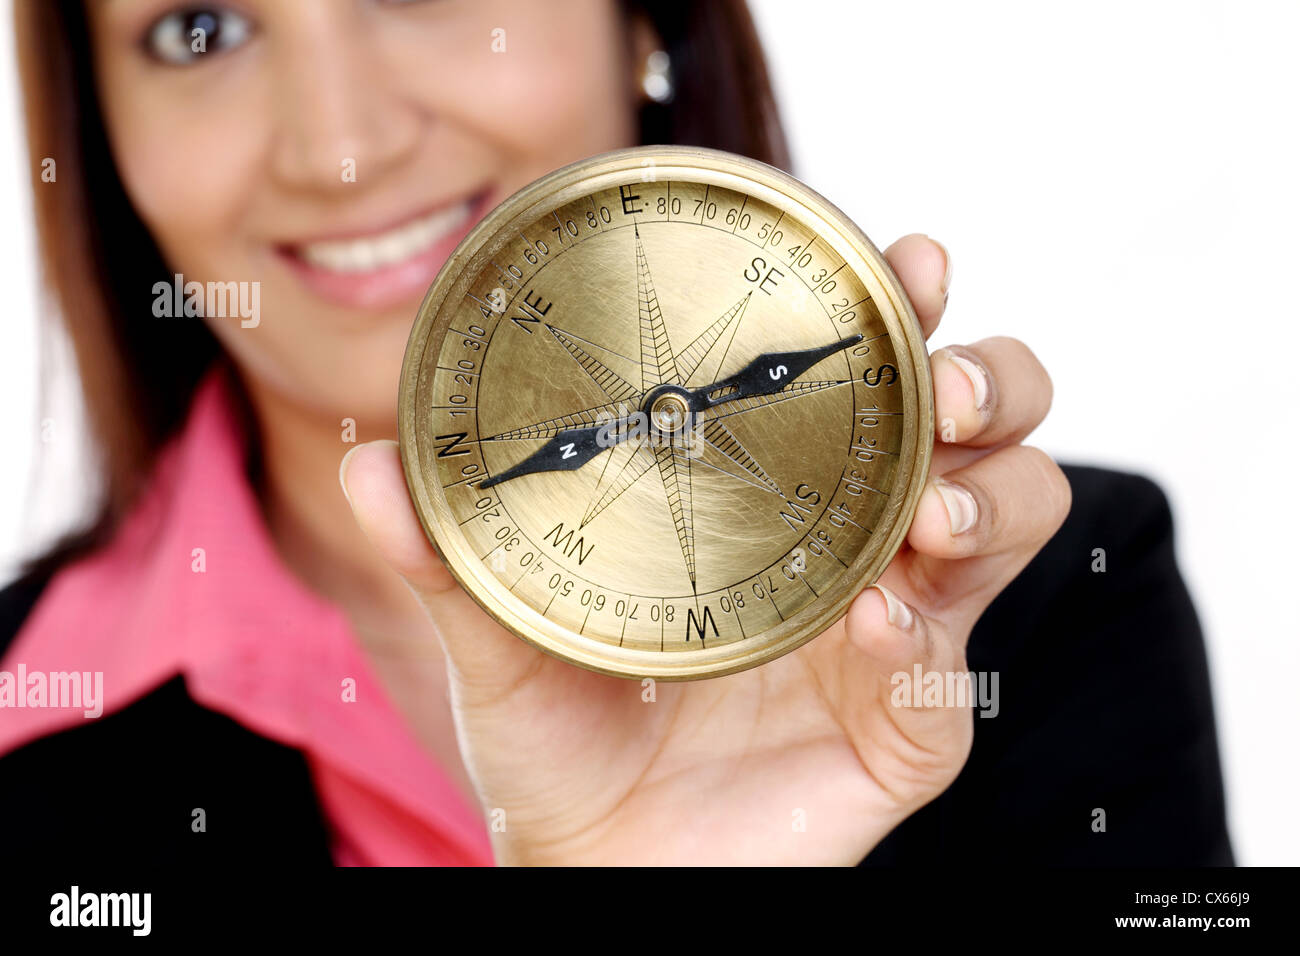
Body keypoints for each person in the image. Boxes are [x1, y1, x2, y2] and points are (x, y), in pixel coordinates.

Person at [0, 0, 1231, 866]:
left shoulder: (1045, 604)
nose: (339, 147)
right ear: (101, 127)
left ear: (641, 16)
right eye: (196, 28)